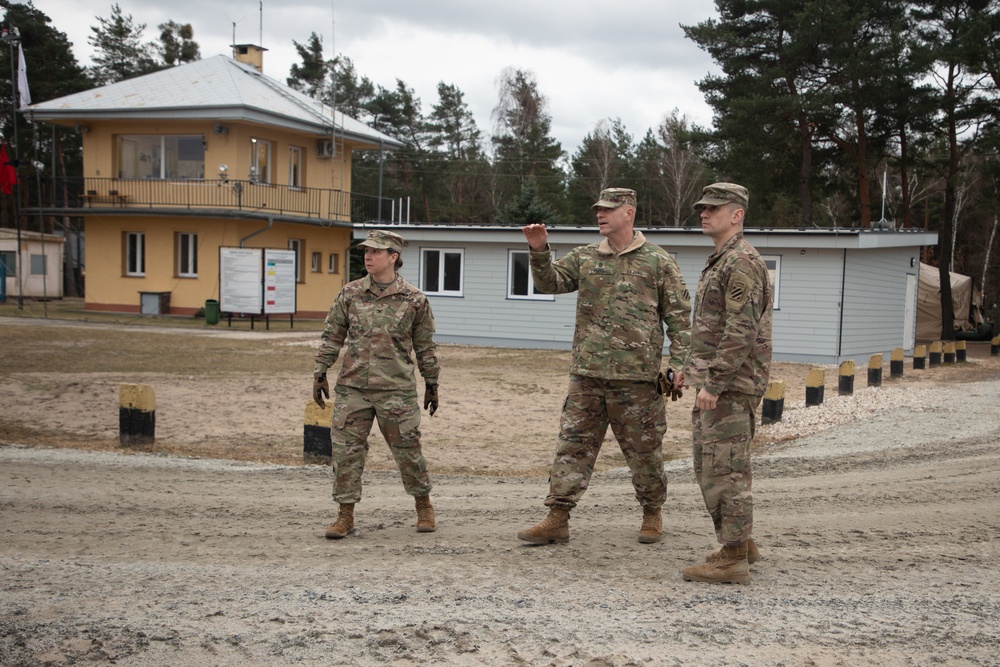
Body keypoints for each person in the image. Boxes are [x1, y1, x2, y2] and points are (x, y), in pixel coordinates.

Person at [517, 188, 691, 545]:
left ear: (629, 213)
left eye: (609, 210)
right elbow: (550, 282)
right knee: (572, 446)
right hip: (588, 376)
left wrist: (679, 364)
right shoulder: (585, 257)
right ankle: (557, 517)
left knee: (645, 451)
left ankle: (652, 513)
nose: (600, 215)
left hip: (639, 379)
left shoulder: (658, 261)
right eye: (598, 209)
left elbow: (680, 319)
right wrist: (538, 250)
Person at [312, 229, 440, 539]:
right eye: (366, 251)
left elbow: (425, 346)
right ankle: (345, 516)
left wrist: (432, 383)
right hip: (353, 388)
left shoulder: (414, 299)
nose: (368, 256)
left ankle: (423, 506)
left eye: (376, 251)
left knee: (408, 451)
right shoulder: (350, 293)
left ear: (393, 257)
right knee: (345, 453)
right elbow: (332, 335)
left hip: (396, 389)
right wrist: (320, 371)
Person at [680, 183, 772, 585]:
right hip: (720, 381)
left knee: (725, 470)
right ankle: (741, 541)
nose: (704, 213)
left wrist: (715, 382)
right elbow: (710, 327)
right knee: (711, 464)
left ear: (737, 214)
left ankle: (733, 557)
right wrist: (690, 369)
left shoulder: (742, 262)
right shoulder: (722, 259)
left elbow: (741, 329)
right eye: (702, 207)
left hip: (731, 386)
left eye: (713, 208)